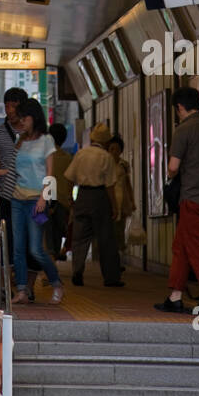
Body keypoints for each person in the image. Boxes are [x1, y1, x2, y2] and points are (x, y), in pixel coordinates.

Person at [154, 87, 199, 315]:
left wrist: (170, 175)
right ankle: (175, 296)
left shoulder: (184, 130)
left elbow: (173, 167)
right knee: (181, 247)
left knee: (198, 248)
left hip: (192, 197)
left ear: (179, 107)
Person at [9, 98, 63, 305]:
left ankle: (56, 283)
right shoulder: (20, 141)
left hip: (36, 200)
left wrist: (44, 198)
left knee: (35, 249)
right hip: (17, 197)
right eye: (19, 118)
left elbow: (51, 173)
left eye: (24, 117)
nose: (21, 121)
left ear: (34, 117)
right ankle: (22, 290)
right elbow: (15, 170)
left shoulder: (46, 140)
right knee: (18, 248)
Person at [64, 123, 123, 288]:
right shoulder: (106, 157)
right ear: (106, 141)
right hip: (100, 197)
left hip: (82, 195)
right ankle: (111, 277)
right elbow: (110, 185)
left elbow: (69, 177)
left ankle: (77, 271)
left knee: (79, 238)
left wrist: (71, 198)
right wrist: (114, 206)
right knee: (106, 239)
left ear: (92, 138)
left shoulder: (81, 154)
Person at [0, 86, 26, 262]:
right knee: (8, 237)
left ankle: (24, 279)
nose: (9, 110)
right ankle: (8, 277)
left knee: (28, 239)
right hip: (7, 194)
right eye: (7, 106)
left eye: (13, 106)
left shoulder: (32, 132)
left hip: (29, 193)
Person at [107, 134, 136, 265]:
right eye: (111, 148)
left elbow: (127, 184)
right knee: (110, 231)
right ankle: (113, 260)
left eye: (117, 149)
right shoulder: (105, 164)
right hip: (110, 200)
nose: (114, 152)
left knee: (120, 231)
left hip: (122, 200)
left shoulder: (124, 165)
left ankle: (117, 259)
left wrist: (132, 200)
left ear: (121, 150)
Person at [47, 123, 73, 261]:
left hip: (47, 200)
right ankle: (54, 257)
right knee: (57, 233)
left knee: (46, 233)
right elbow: (71, 181)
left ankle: (49, 261)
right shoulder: (68, 158)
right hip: (62, 201)